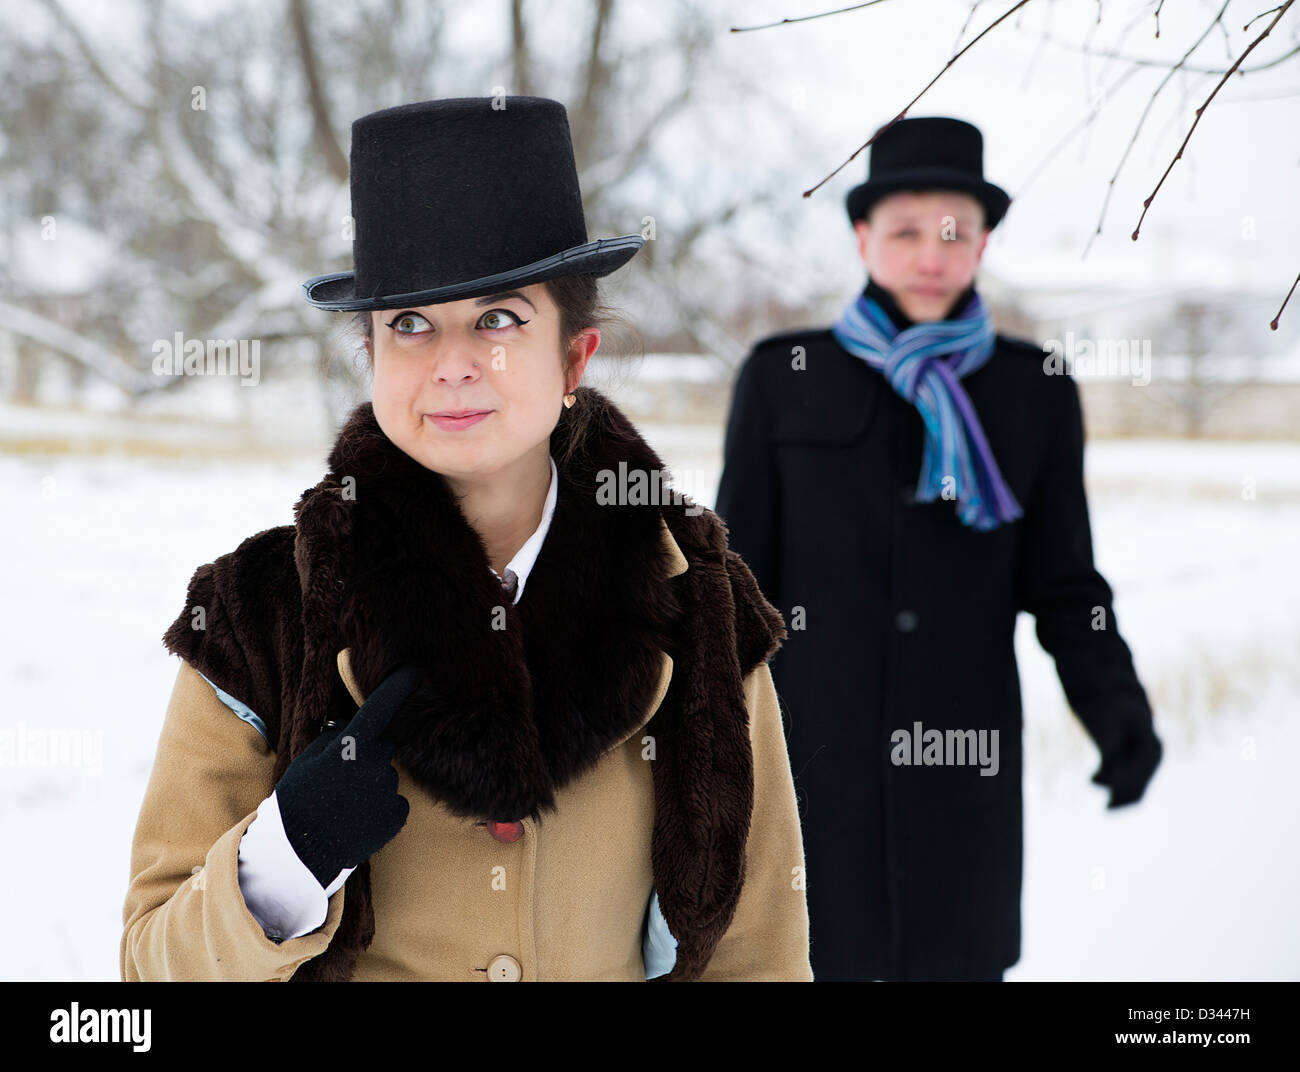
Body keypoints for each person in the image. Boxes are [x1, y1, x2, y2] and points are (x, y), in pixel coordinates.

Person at [121, 96, 813, 982]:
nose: (451, 364)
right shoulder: (257, 612)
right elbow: (145, 971)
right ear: (370, 357)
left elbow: (758, 954)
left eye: (499, 319)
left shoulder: (696, 600)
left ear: (574, 359)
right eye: (410, 324)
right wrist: (280, 866)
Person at [714, 116, 1162, 982]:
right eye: (906, 231)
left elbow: (1067, 583)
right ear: (862, 237)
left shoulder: (1033, 390)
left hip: (964, 778)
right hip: (812, 776)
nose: (931, 254)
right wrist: (694, 752)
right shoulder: (782, 377)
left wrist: (1119, 713)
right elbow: (735, 594)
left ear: (984, 240)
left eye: (953, 232)